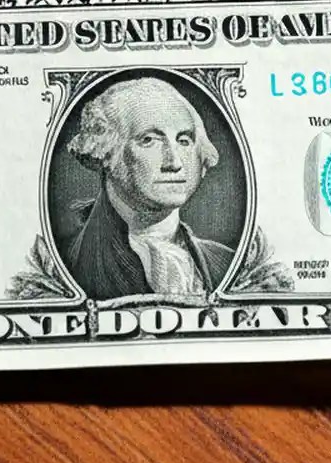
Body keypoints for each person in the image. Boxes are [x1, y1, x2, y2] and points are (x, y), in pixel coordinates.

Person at [64, 77, 234, 299]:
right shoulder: (66, 263)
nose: (174, 163)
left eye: (184, 141)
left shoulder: (226, 262)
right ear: (106, 151)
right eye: (149, 140)